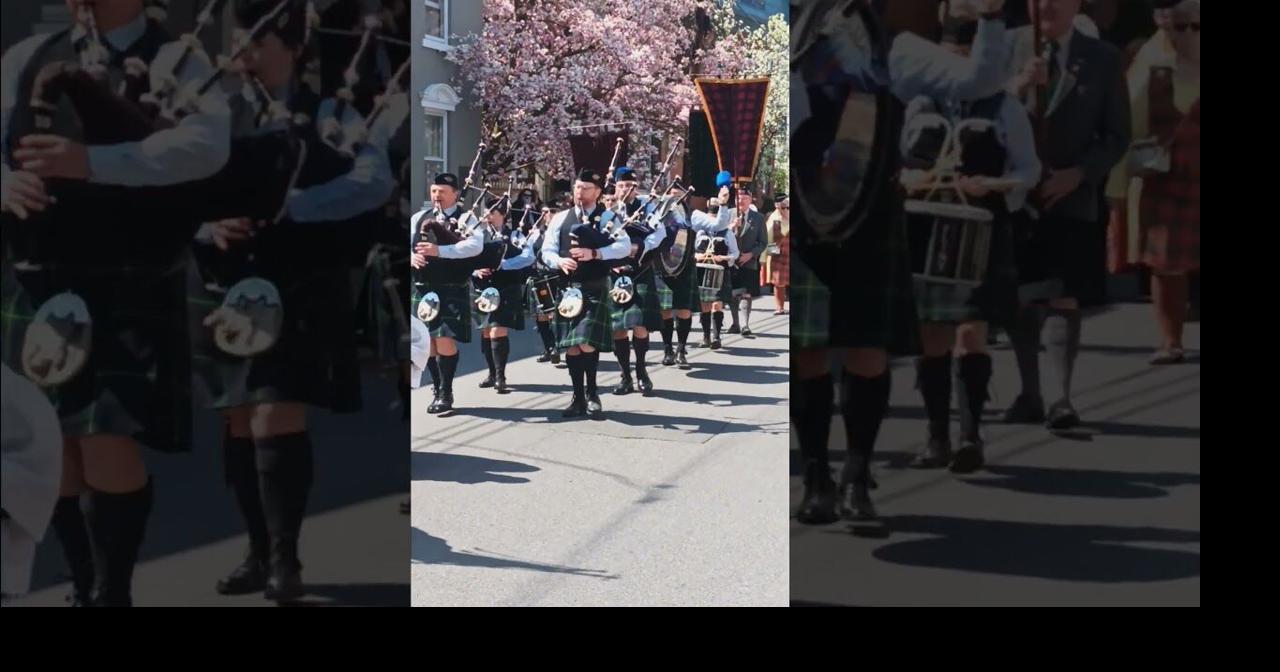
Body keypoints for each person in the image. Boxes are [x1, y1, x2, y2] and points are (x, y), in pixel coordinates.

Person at [1, 0, 231, 606]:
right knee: (54, 456)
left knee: (105, 441)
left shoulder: (179, 59)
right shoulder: (27, 57)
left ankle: (112, 592)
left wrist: (92, 163)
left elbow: (206, 148)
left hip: (129, 275)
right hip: (39, 275)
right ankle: (86, 585)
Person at [192, 0, 394, 602]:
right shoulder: (214, 115)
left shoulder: (332, 113)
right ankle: (257, 551)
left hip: (301, 282)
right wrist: (207, 226)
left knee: (273, 412)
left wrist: (290, 209)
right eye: (239, 42)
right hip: (226, 280)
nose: (245, 52)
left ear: (293, 48)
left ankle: (286, 561)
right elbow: (170, 188)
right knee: (236, 420)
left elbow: (373, 180)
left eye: (258, 40)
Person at [791, 0, 1010, 526]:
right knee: (806, 356)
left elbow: (979, 78)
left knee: (868, 351)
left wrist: (993, 16)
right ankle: (817, 476)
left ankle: (856, 478)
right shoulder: (790, 41)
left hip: (870, 215)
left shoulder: (897, 51)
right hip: (802, 210)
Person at [903, 7, 1040, 473]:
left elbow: (1028, 171)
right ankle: (936, 436)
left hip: (981, 228)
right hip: (926, 226)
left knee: (970, 333)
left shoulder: (1004, 106)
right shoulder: (919, 104)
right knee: (931, 337)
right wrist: (914, 179)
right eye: (954, 52)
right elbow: (898, 166)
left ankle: (970, 435)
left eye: (969, 53)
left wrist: (993, 186)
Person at [1002, 0, 1131, 430]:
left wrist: (1079, 174)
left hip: (1070, 194)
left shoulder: (1102, 58)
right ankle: (1029, 392)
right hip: (1017, 195)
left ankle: (1061, 398)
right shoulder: (1004, 49)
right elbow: (981, 115)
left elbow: (1117, 135)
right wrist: (1018, 86)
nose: (1047, 6)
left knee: (1064, 295)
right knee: (1021, 298)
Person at [1107, 0, 1198, 364]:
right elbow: (1127, 128)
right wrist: (1115, 190)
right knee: (1166, 266)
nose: (1185, 34)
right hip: (1165, 181)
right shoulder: (1150, 64)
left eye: (1194, 25)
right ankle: (1170, 339)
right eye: (1178, 25)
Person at [540, 169, 631, 417]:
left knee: (586, 343)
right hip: (568, 289)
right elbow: (546, 250)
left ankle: (592, 394)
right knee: (572, 346)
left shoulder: (607, 218)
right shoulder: (560, 218)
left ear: (598, 192)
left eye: (586, 188)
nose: (580, 193)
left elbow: (623, 247)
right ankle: (577, 397)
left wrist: (597, 254)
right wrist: (559, 261)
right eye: (577, 188)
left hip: (594, 287)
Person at [411, 172, 484, 414]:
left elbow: (475, 246)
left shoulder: (467, 219)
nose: (436, 196)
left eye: (442, 191)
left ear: (455, 194)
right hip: (423, 287)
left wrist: (440, 250)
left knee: (443, 339)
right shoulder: (420, 216)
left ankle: (446, 391)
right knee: (427, 343)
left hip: (451, 287)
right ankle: (437, 386)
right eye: (434, 191)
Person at [606, 166, 667, 396]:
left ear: (635, 188)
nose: (625, 190)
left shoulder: (646, 207)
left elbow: (659, 233)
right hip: (614, 273)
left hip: (640, 270)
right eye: (621, 186)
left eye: (629, 186)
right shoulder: (608, 208)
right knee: (618, 328)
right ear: (616, 187)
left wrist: (641, 246)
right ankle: (625, 376)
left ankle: (642, 371)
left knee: (640, 323)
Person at [473, 197, 537, 392]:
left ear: (503, 215)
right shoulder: (477, 235)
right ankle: (492, 374)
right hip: (483, 287)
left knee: (497, 329)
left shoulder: (515, 235)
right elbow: (463, 258)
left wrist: (504, 265)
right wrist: (475, 271)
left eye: (493, 212)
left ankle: (501, 377)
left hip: (506, 286)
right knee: (485, 331)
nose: (488, 216)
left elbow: (528, 257)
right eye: (486, 212)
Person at [727, 184, 767, 337]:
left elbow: (763, 242)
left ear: (750, 200)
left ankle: (745, 324)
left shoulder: (758, 218)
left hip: (749, 261)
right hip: (731, 260)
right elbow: (719, 235)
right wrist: (731, 227)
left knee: (746, 294)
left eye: (744, 198)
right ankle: (735, 323)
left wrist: (751, 255)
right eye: (739, 198)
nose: (741, 201)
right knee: (732, 294)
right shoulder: (728, 214)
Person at [761, 193, 790, 315]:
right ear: (777, 206)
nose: (786, 210)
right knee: (778, 282)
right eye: (783, 207)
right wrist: (766, 259)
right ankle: (779, 307)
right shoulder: (773, 219)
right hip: (778, 254)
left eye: (788, 207)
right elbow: (767, 239)